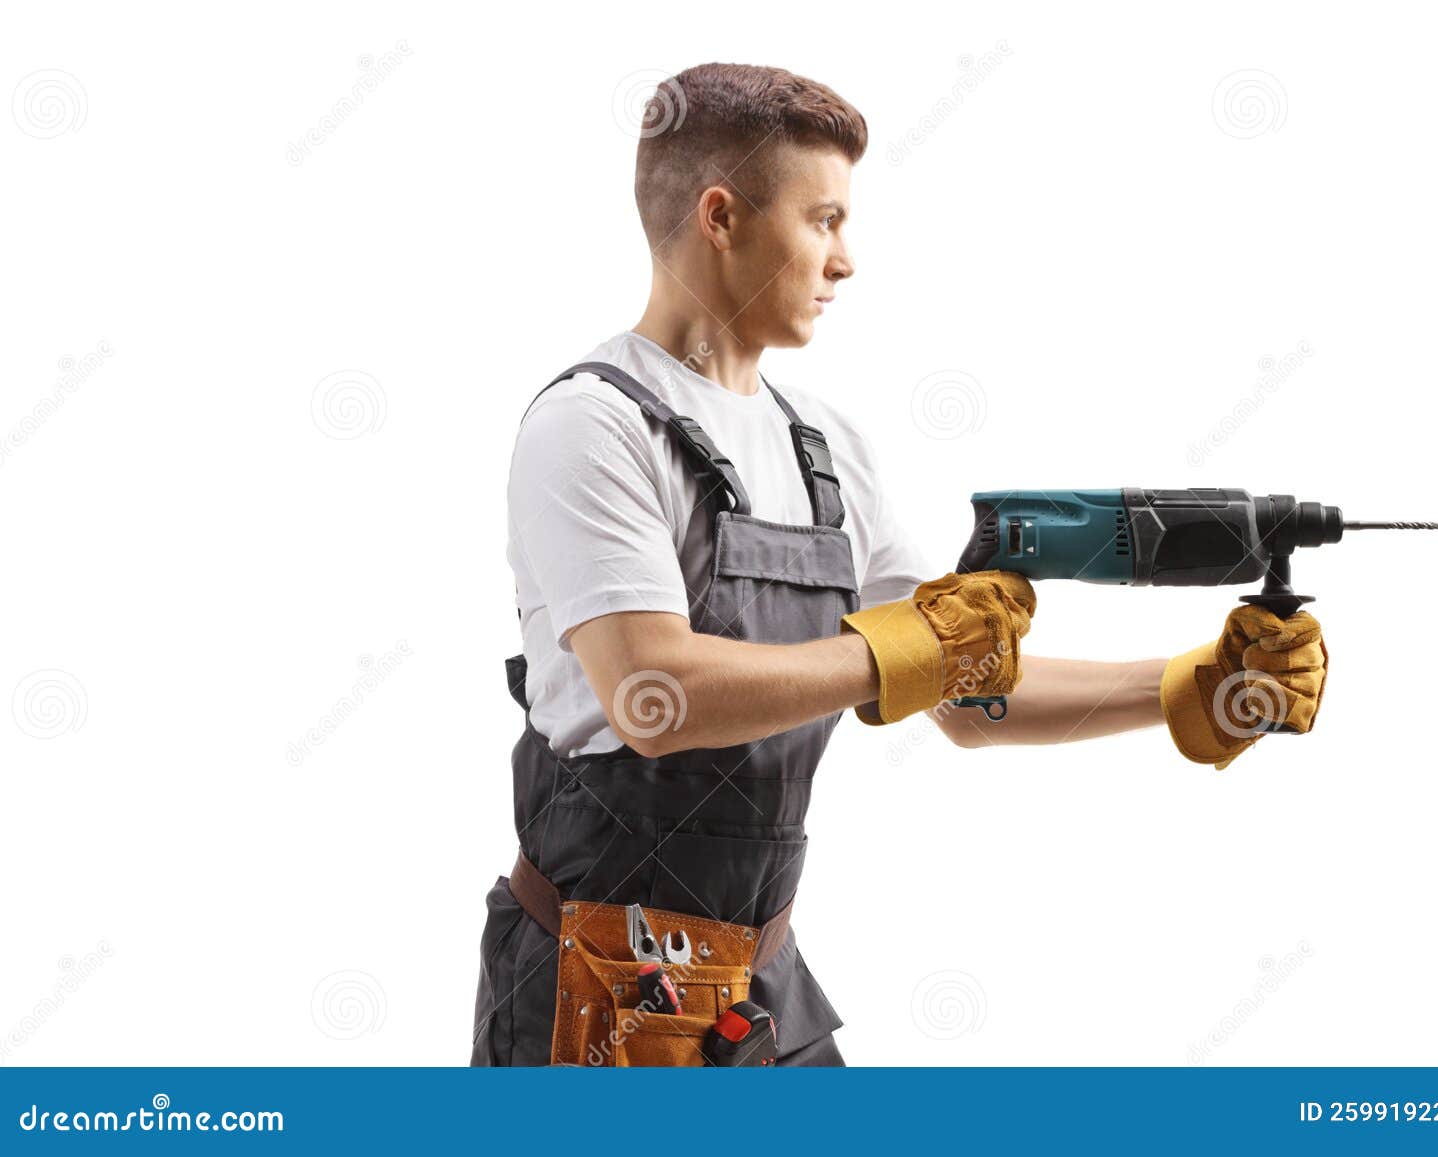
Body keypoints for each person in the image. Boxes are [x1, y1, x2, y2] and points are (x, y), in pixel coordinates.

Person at [471, 62, 1328, 1067]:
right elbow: (655, 691)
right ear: (720, 216)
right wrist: (905, 649)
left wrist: (1194, 685)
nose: (844, 260)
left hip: (757, 982)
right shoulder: (594, 424)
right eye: (823, 219)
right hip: (599, 994)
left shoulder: (819, 449)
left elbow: (962, 694)